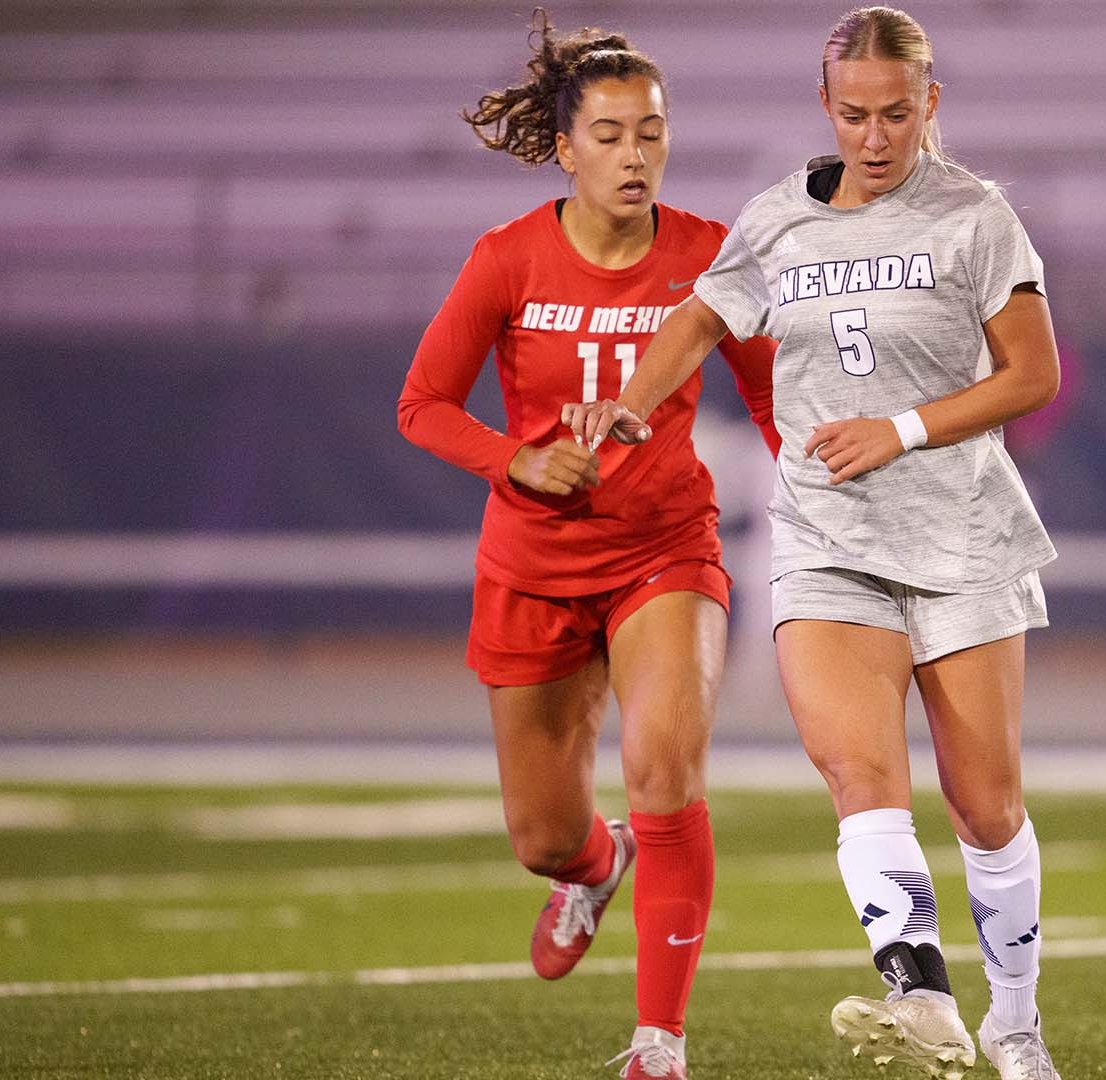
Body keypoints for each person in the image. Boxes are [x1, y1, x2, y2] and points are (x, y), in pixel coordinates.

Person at [567, 7, 1064, 1079]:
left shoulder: (976, 219)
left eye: (897, 113)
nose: (876, 137)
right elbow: (699, 318)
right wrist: (630, 409)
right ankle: (920, 988)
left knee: (987, 805)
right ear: (826, 108)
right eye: (854, 115)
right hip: (827, 535)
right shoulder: (777, 221)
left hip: (961, 536)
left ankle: (1015, 1023)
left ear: (933, 104)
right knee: (857, 771)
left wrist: (902, 427)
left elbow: (1033, 374)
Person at [396, 12, 778, 1079]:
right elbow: (422, 404)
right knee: (542, 836)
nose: (634, 155)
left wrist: (834, 478)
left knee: (666, 769)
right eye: (609, 134)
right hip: (533, 566)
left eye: (651, 132)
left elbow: (771, 399)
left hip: (665, 550)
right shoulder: (508, 258)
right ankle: (592, 870)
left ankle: (660, 1042)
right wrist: (512, 459)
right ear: (567, 149)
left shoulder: (709, 256)